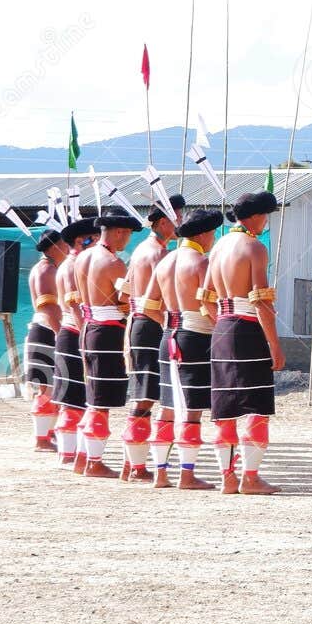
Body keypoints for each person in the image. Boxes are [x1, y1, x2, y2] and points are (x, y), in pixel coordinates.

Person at [203, 191, 286, 497]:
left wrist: (223, 325)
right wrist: (275, 344)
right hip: (248, 329)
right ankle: (250, 477)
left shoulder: (219, 246)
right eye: (265, 215)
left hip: (222, 329)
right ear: (255, 217)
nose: (266, 221)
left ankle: (227, 477)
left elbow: (205, 299)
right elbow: (261, 302)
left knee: (224, 408)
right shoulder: (254, 247)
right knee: (256, 406)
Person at [144, 208, 221, 491]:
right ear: (202, 234)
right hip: (195, 337)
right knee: (192, 410)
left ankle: (161, 473)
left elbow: (148, 306)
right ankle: (186, 475)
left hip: (168, 335)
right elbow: (210, 306)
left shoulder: (165, 262)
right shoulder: (201, 262)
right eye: (212, 233)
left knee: (166, 408)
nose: (213, 238)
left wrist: (170, 321)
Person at [74, 209, 145, 479]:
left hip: (89, 326)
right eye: (127, 234)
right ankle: (94, 461)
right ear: (119, 232)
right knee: (100, 399)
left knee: (93, 396)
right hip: (107, 330)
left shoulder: (82, 258)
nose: (127, 240)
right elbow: (122, 301)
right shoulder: (114, 263)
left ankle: (84, 458)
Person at [121, 195, 184, 482]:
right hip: (150, 324)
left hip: (141, 323)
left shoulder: (140, 250)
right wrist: (171, 329)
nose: (179, 224)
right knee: (147, 396)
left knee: (146, 394)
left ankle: (132, 463)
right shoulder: (157, 254)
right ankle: (138, 466)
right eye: (176, 218)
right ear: (162, 222)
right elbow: (149, 303)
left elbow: (126, 295)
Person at [52, 217, 98, 469]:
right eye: (92, 240)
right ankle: (71, 455)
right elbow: (75, 306)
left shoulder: (74, 263)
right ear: (79, 242)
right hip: (74, 335)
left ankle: (71, 454)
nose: (95, 244)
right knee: (74, 398)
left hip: (73, 334)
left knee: (76, 397)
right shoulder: (72, 267)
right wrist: (85, 340)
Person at [24, 229, 67, 452]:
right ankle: (41, 439)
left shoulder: (50, 268)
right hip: (46, 330)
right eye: (64, 244)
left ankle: (48, 435)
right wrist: (61, 333)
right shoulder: (45, 270)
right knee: (46, 388)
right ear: (54, 246)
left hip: (49, 330)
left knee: (53, 387)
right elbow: (48, 307)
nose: (68, 248)